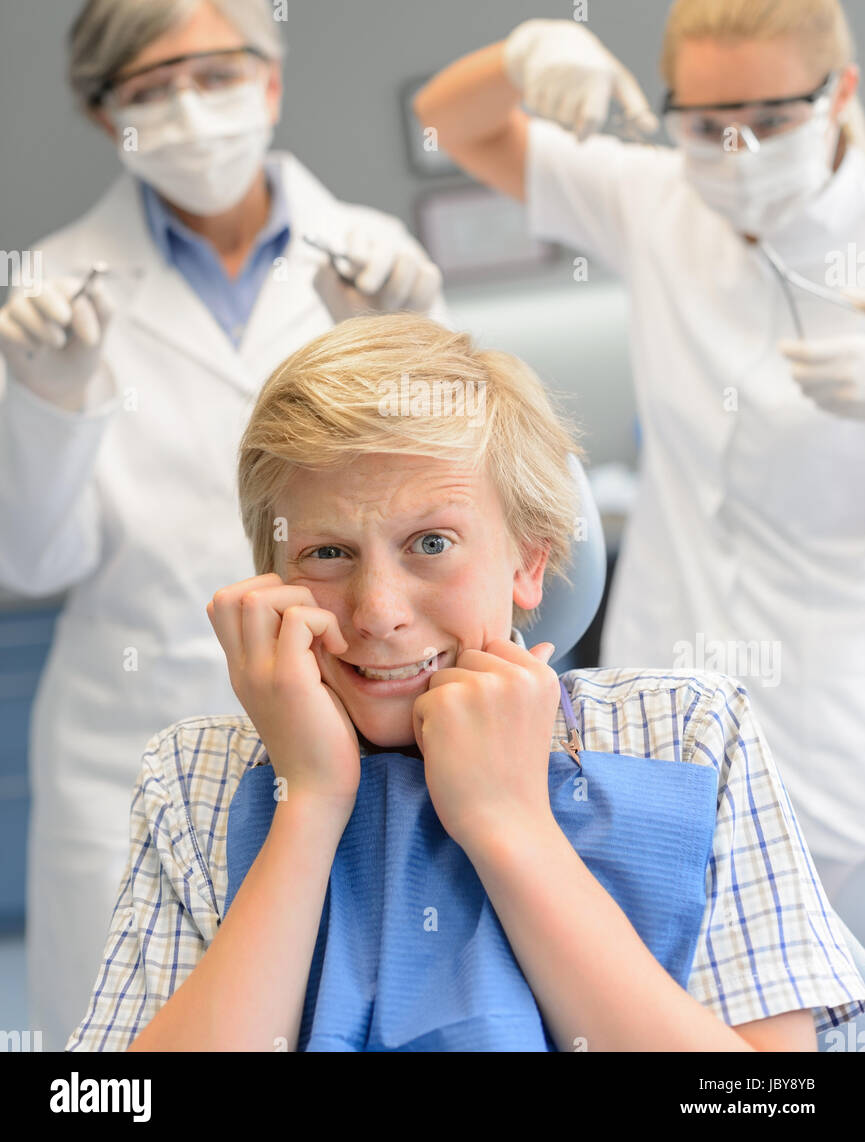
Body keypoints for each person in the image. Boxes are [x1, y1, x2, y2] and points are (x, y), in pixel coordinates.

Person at [66, 312, 864, 1052]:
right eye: (327, 554)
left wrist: (507, 823)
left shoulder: (682, 732)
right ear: (268, 577)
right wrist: (308, 800)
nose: (377, 613)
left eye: (432, 543)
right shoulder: (197, 775)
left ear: (528, 560)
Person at [0, 0, 446, 1050]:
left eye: (213, 74)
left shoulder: (374, 259)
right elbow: (33, 562)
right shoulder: (47, 293)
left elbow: (454, 511)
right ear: (109, 119)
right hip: (132, 735)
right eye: (149, 91)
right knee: (123, 1060)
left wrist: (404, 355)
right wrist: (49, 404)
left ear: (271, 80)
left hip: (361, 725)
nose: (189, 110)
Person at [411, 0, 865, 931]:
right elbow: (448, 120)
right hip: (669, 674)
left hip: (841, 692)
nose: (735, 148)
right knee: (659, 977)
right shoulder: (657, 198)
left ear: (843, 92)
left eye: (771, 117)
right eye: (704, 123)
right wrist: (526, 54)